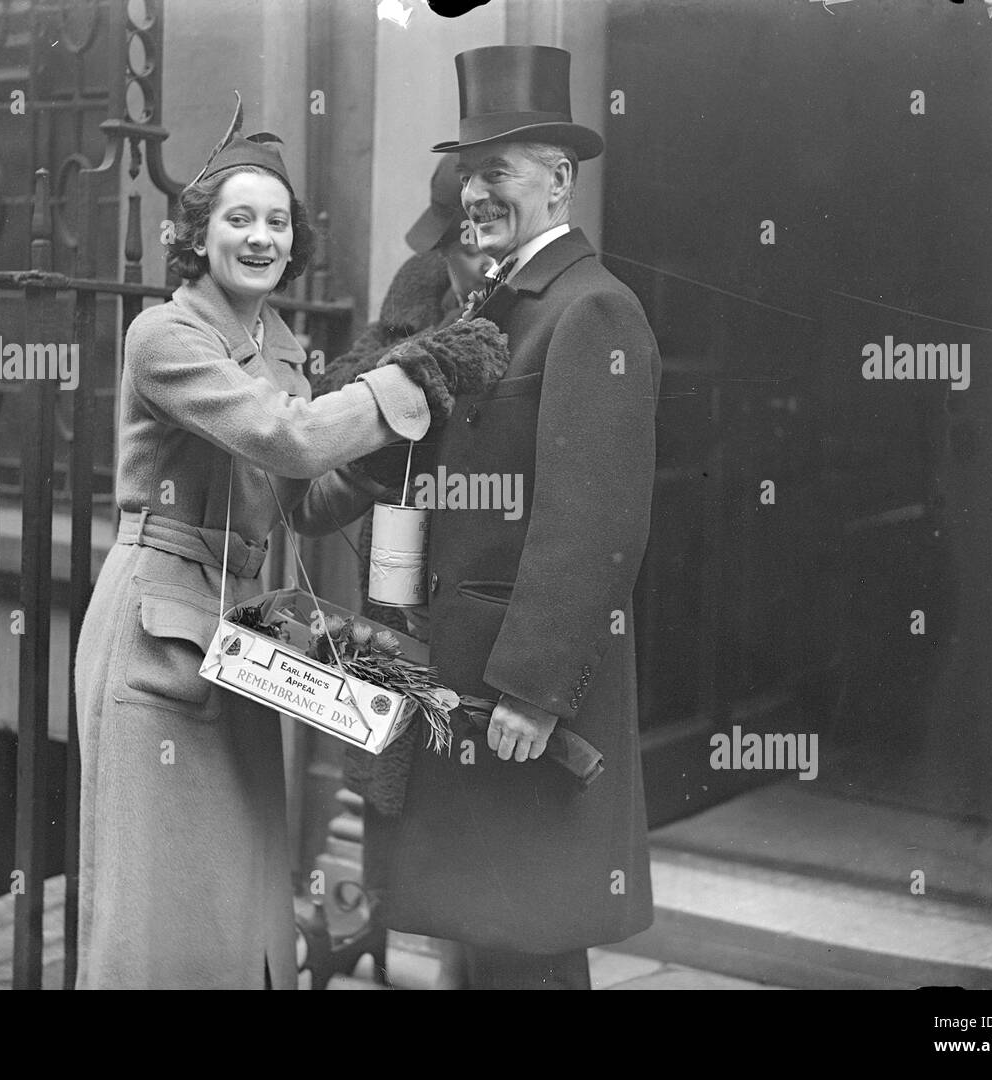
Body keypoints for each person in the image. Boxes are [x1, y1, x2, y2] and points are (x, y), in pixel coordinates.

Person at [73, 98, 508, 989]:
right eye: (239, 219)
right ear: (199, 237)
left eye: (277, 220)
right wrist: (407, 378)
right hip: (156, 637)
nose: (261, 237)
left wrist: (396, 455)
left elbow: (304, 500)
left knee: (237, 913)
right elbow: (288, 439)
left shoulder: (281, 347)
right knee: (159, 917)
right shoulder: (165, 336)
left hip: (233, 634)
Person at [385, 45, 664, 990]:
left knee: (528, 948)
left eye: (494, 171)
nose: (473, 194)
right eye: (467, 173)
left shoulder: (591, 312)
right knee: (488, 937)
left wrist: (536, 690)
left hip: (517, 694)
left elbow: (593, 520)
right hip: (465, 677)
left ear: (559, 180)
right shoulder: (505, 303)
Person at [311, 155, 491, 988]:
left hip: (479, 568)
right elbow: (358, 382)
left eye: (466, 234)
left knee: (463, 775)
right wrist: (419, 361)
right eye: (452, 238)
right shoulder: (421, 282)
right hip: (399, 562)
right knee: (378, 764)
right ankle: (367, 928)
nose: (461, 251)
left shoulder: (530, 293)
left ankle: (452, 951)